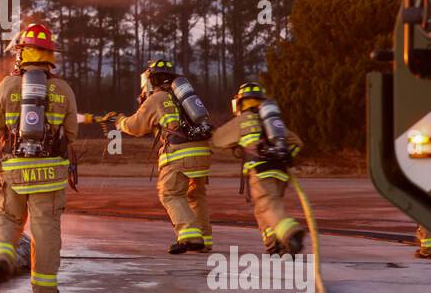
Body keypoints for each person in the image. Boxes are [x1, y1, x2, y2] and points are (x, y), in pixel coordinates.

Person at [0, 22, 79, 293]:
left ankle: (0, 262)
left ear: (22, 53)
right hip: (50, 173)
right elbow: (71, 133)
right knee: (45, 228)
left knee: (7, 220)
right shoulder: (63, 89)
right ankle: (45, 289)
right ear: (50, 56)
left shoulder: (7, 85)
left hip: (14, 171)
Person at [107, 59, 214, 254]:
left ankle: (190, 236)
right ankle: (205, 239)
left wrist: (119, 121)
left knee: (171, 193)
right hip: (202, 152)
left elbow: (135, 126)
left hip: (180, 153)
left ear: (150, 81)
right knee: (196, 195)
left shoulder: (156, 98)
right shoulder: (182, 97)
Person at [210, 81, 307, 256]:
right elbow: (297, 143)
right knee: (264, 207)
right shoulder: (270, 121)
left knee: (267, 205)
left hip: (261, 170)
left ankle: (291, 233)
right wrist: (285, 157)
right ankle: (274, 244)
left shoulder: (242, 120)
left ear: (240, 102)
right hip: (280, 173)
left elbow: (217, 139)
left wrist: (237, 145)